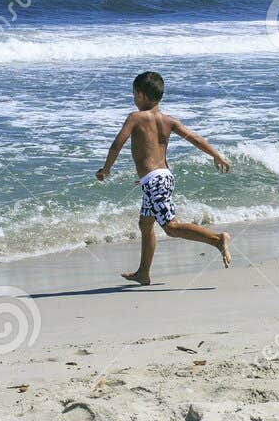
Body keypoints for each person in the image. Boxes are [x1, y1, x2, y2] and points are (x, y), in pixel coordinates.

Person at [94, 70, 232, 285]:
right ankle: (143, 273)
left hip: (155, 180)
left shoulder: (135, 117)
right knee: (145, 224)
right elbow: (194, 138)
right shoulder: (168, 121)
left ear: (141, 95)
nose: (133, 98)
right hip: (162, 177)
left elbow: (116, 144)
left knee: (171, 227)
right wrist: (216, 155)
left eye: (134, 94)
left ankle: (217, 239)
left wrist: (106, 169)